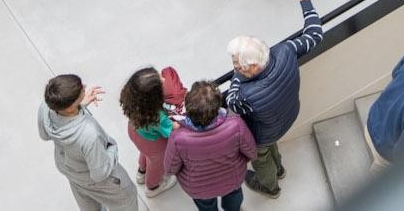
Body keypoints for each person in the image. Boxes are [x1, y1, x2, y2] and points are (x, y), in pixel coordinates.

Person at [225, 0, 325, 195]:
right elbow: (315, 33)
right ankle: (278, 168)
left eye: (237, 64)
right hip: (289, 114)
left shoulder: (244, 95)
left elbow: (230, 100)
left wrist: (237, 77)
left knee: (261, 157)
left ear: (250, 68)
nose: (235, 67)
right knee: (272, 143)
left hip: (263, 133)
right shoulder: (286, 51)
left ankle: (269, 186)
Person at [40, 72, 142, 211]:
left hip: (73, 174)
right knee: (127, 199)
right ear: (70, 106)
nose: (84, 86)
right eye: (80, 90)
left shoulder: (46, 107)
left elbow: (45, 135)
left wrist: (80, 106)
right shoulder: (89, 134)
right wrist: (112, 148)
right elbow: (99, 173)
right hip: (100, 183)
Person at [164, 81, 255, 211]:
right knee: (234, 195)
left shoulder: (178, 138)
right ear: (218, 107)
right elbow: (251, 152)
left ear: (188, 109)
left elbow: (170, 168)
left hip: (198, 187)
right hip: (233, 177)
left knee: (206, 205)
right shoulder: (236, 125)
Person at [118, 68, 178, 199]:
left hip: (136, 132)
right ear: (153, 97)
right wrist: (180, 122)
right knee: (157, 164)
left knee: (145, 154)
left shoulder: (135, 104)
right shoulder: (159, 117)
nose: (163, 79)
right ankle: (153, 187)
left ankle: (141, 171)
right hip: (155, 145)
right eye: (160, 81)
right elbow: (172, 130)